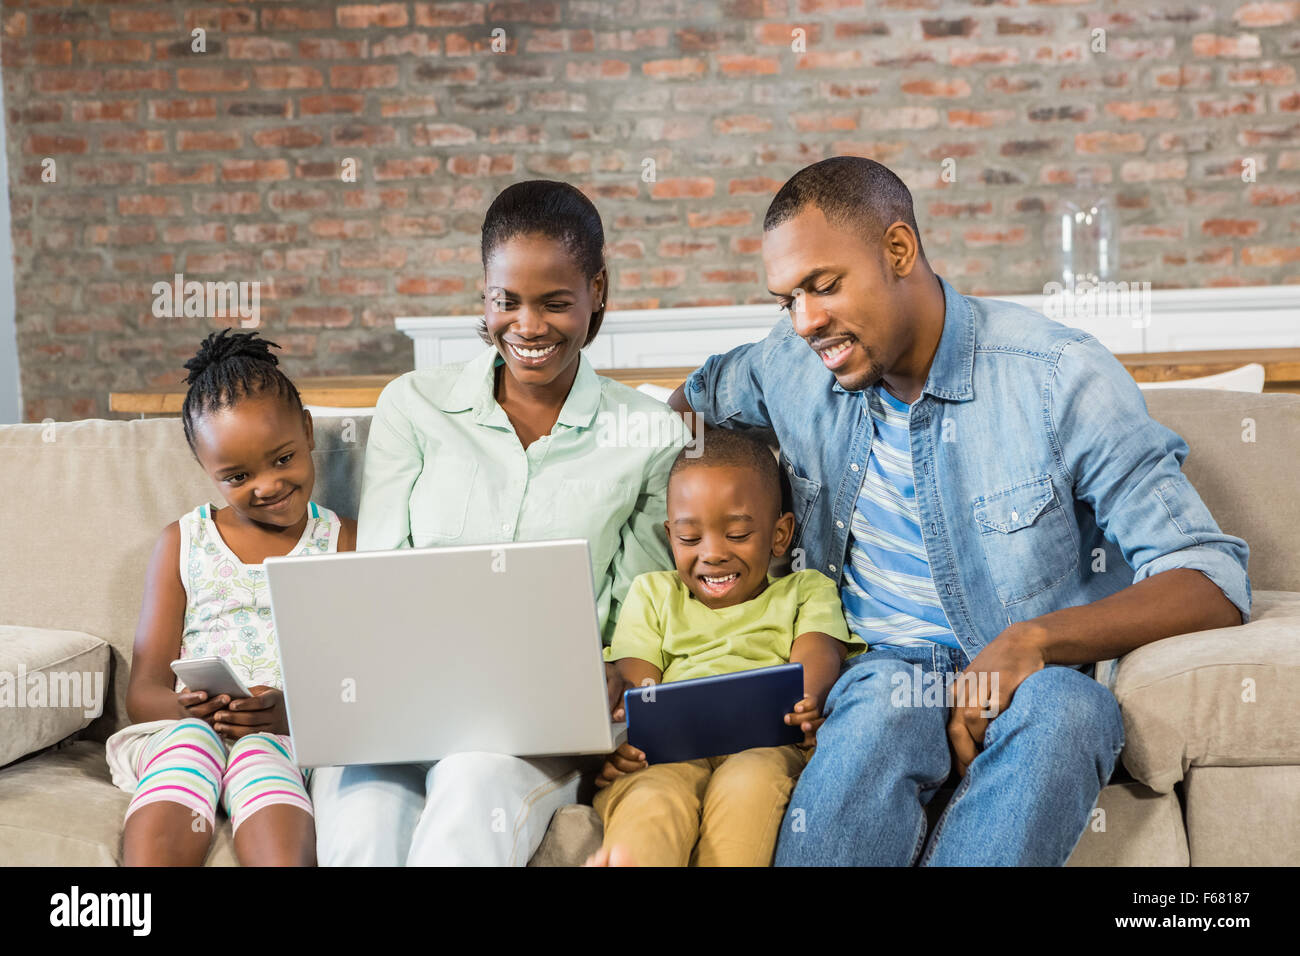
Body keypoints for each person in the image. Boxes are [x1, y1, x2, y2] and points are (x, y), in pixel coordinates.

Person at [668, 156, 1250, 866]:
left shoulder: (1057, 377)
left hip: (1038, 680)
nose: (805, 321)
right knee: (883, 701)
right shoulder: (789, 365)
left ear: (899, 250)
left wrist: (1032, 640)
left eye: (823, 287)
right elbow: (691, 407)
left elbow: (1210, 576)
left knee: (1073, 711)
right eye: (786, 298)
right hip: (880, 668)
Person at [310, 180, 690, 866]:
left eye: (554, 303)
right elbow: (379, 585)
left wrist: (615, 678)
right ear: (483, 295)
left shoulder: (649, 433)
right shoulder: (413, 406)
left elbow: (642, 613)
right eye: (505, 301)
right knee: (363, 822)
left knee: (471, 782)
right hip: (403, 711)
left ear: (597, 290)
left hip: (535, 731)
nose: (528, 327)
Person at [109, 329, 357, 866]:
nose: (266, 486)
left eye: (283, 458)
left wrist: (289, 712)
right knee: (187, 747)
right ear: (207, 469)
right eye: (237, 476)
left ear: (308, 431)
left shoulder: (344, 541)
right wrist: (191, 708)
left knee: (263, 759)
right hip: (191, 728)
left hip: (286, 733)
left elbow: (363, 681)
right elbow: (143, 692)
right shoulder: (182, 542)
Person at [591, 430, 864, 866]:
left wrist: (808, 700)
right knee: (653, 797)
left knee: (749, 786)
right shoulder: (653, 593)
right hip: (668, 750)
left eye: (736, 535)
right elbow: (638, 682)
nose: (712, 554)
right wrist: (632, 732)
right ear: (669, 537)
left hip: (764, 745)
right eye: (690, 538)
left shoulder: (805, 589)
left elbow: (817, 654)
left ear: (779, 535)